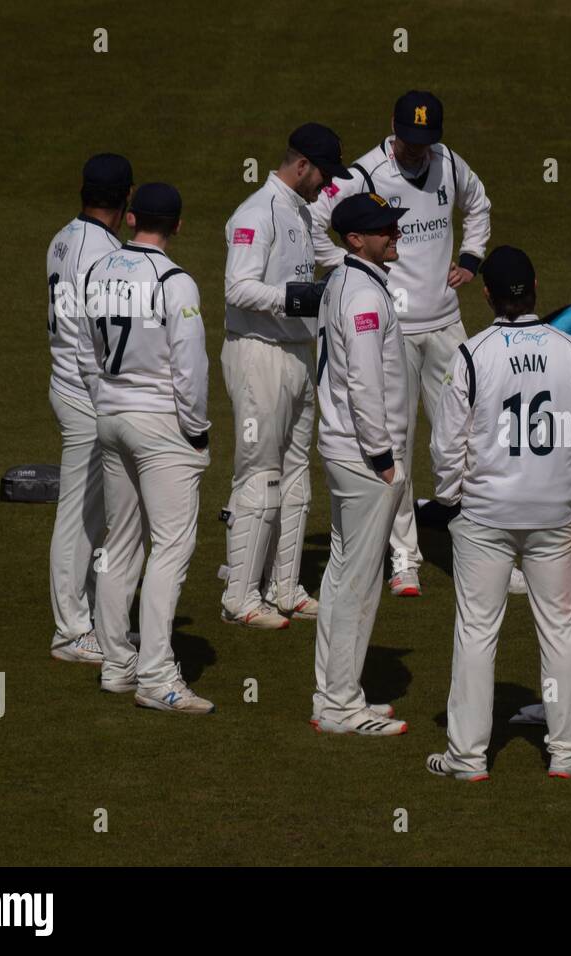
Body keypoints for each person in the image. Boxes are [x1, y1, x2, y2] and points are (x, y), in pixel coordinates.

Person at [427, 246, 571, 780]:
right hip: (555, 515)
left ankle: (467, 757)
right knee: (559, 634)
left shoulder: (471, 354)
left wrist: (453, 499)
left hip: (484, 515)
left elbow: (446, 446)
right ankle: (567, 753)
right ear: (535, 286)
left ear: (486, 296)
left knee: (477, 632)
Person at [309, 90, 493, 597]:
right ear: (392, 127)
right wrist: (350, 266)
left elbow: (478, 204)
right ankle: (405, 559)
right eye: (410, 141)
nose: (418, 151)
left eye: (426, 141)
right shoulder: (364, 175)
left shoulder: (449, 163)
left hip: (446, 325)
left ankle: (482, 547)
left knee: (468, 436)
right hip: (396, 332)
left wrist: (472, 258)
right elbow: (314, 221)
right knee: (398, 444)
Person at [78, 183, 214, 713]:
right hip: (158, 424)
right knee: (171, 547)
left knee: (121, 540)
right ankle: (156, 676)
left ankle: (117, 665)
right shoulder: (176, 281)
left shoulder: (97, 271)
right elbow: (190, 367)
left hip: (110, 417)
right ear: (177, 226)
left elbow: (88, 350)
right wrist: (197, 429)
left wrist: (104, 400)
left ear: (132, 218)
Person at [220, 123, 352, 629]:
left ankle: (285, 586)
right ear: (302, 166)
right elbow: (238, 288)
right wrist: (301, 298)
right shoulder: (258, 211)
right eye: (323, 175)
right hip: (259, 354)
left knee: (296, 472)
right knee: (258, 472)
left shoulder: (297, 210)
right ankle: (239, 595)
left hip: (297, 354)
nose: (327, 186)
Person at [310, 193, 411, 737]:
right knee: (359, 583)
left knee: (342, 574)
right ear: (355, 240)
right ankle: (342, 705)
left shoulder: (349, 284)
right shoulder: (362, 296)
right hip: (363, 456)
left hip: (342, 449)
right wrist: (383, 457)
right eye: (384, 229)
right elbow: (365, 383)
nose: (394, 233)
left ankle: (332, 691)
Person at [45, 153, 132, 664]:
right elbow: (88, 341)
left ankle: (94, 622)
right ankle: (72, 630)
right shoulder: (104, 252)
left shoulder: (61, 238)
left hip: (67, 384)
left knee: (95, 512)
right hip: (85, 393)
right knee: (80, 513)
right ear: (125, 200)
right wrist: (109, 404)